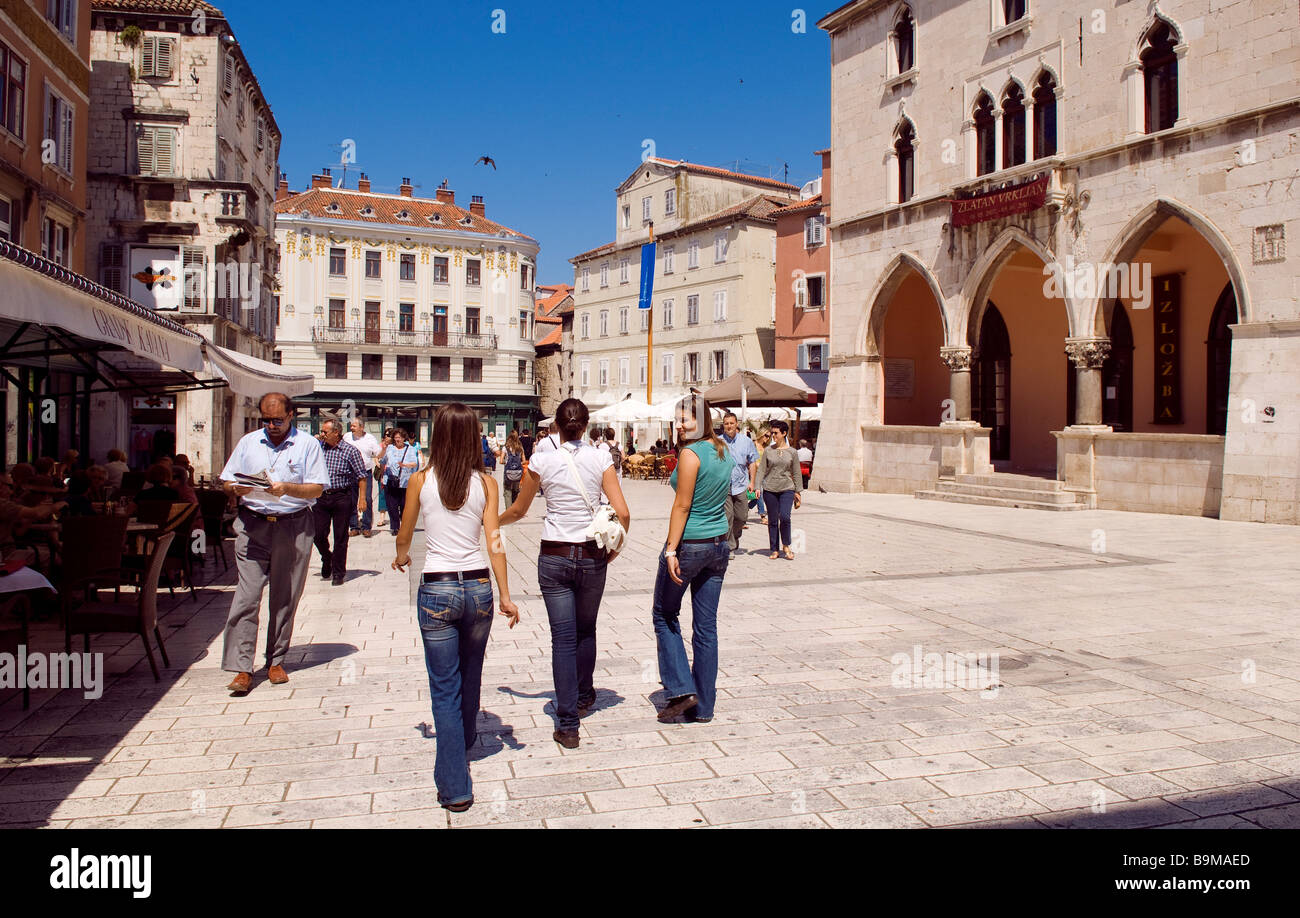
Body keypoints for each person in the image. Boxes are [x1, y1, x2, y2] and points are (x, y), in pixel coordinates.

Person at [393, 402, 519, 812]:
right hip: (479, 588)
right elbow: (495, 542)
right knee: (472, 671)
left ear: (437, 435)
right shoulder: (486, 483)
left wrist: (400, 556)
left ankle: (455, 785)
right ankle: (464, 738)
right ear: (472, 438)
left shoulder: (419, 480)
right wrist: (505, 594)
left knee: (444, 686)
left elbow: (405, 531)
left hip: (438, 589)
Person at [498, 398, 630, 748]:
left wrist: (492, 522)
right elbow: (623, 513)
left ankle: (568, 724)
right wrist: (611, 553)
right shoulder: (601, 456)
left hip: (554, 555)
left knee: (563, 638)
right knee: (586, 629)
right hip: (591, 554)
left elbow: (520, 508)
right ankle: (585, 695)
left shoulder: (541, 457)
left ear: (555, 425)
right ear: (585, 426)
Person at [219, 392, 329, 695]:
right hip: (253, 524)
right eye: (266, 420)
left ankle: (276, 660)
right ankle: (242, 667)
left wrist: (287, 488)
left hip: (293, 526)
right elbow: (227, 479)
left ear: (291, 415)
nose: (271, 425)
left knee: (284, 597)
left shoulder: (307, 445)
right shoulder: (249, 442)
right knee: (246, 597)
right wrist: (235, 488)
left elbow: (317, 489)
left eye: (277, 420)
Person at [652, 395, 733, 724]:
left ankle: (682, 689)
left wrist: (671, 549)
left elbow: (682, 506)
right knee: (706, 627)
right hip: (719, 546)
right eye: (678, 419)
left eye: (686, 419)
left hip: (690, 545)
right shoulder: (722, 450)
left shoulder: (690, 454)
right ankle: (705, 707)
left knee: (664, 614)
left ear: (702, 419)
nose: (680, 425)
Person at [313, 418, 368, 586]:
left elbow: (361, 476)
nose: (322, 434)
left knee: (340, 536)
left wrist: (362, 498)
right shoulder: (318, 448)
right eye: (322, 431)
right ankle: (327, 557)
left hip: (341, 497)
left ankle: (338, 572)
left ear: (336, 433)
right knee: (317, 534)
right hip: (320, 496)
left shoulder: (350, 451)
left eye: (325, 432)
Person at [758, 420, 802, 561]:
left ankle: (786, 545)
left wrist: (798, 492)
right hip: (770, 489)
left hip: (787, 489)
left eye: (776, 433)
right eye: (772, 433)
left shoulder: (792, 452)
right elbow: (761, 471)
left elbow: (796, 472)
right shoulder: (768, 451)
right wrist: (757, 487)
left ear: (784, 433)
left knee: (784, 517)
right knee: (772, 520)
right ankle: (774, 548)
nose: (773, 436)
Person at [718, 412, 758, 556]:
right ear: (723, 425)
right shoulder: (718, 442)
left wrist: (752, 482)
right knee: (727, 516)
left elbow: (752, 462)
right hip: (724, 485)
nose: (729, 426)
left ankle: (735, 537)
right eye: (726, 423)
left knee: (741, 517)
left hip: (741, 484)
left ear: (737, 424)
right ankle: (730, 547)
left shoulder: (746, 441)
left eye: (731, 423)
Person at [345, 418, 382, 537]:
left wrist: (384, 448)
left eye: (354, 426)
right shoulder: (346, 437)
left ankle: (366, 527)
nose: (351, 428)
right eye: (351, 426)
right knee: (351, 499)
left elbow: (378, 453)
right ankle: (354, 526)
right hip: (350, 472)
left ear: (361, 427)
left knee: (367, 499)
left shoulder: (370, 438)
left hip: (365, 472)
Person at [379, 429, 418, 536]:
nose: (397, 440)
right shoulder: (390, 448)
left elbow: (415, 463)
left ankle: (404, 525)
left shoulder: (410, 449)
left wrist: (405, 465)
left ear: (404, 438)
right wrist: (382, 475)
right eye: (395, 438)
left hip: (404, 482)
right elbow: (382, 460)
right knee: (392, 506)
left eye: (399, 438)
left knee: (404, 505)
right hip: (390, 480)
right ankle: (395, 527)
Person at [501, 431, 525, 508]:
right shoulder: (520, 447)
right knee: (515, 490)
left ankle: (508, 509)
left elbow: (501, 461)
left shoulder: (506, 448)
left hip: (508, 472)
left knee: (507, 491)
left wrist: (506, 462)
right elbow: (524, 461)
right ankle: (514, 508)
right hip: (517, 472)